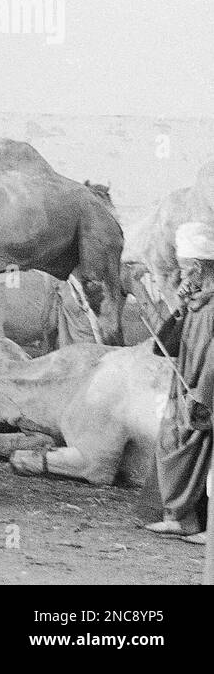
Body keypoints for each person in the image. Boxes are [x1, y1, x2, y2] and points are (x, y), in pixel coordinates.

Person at [145, 221, 214, 545]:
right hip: (185, 391)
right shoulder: (196, 303)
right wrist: (180, 310)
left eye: (186, 269)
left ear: (199, 267)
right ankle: (180, 519)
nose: (182, 276)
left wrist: (202, 394)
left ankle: (204, 526)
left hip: (205, 395)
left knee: (206, 464)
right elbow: (162, 347)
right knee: (172, 447)